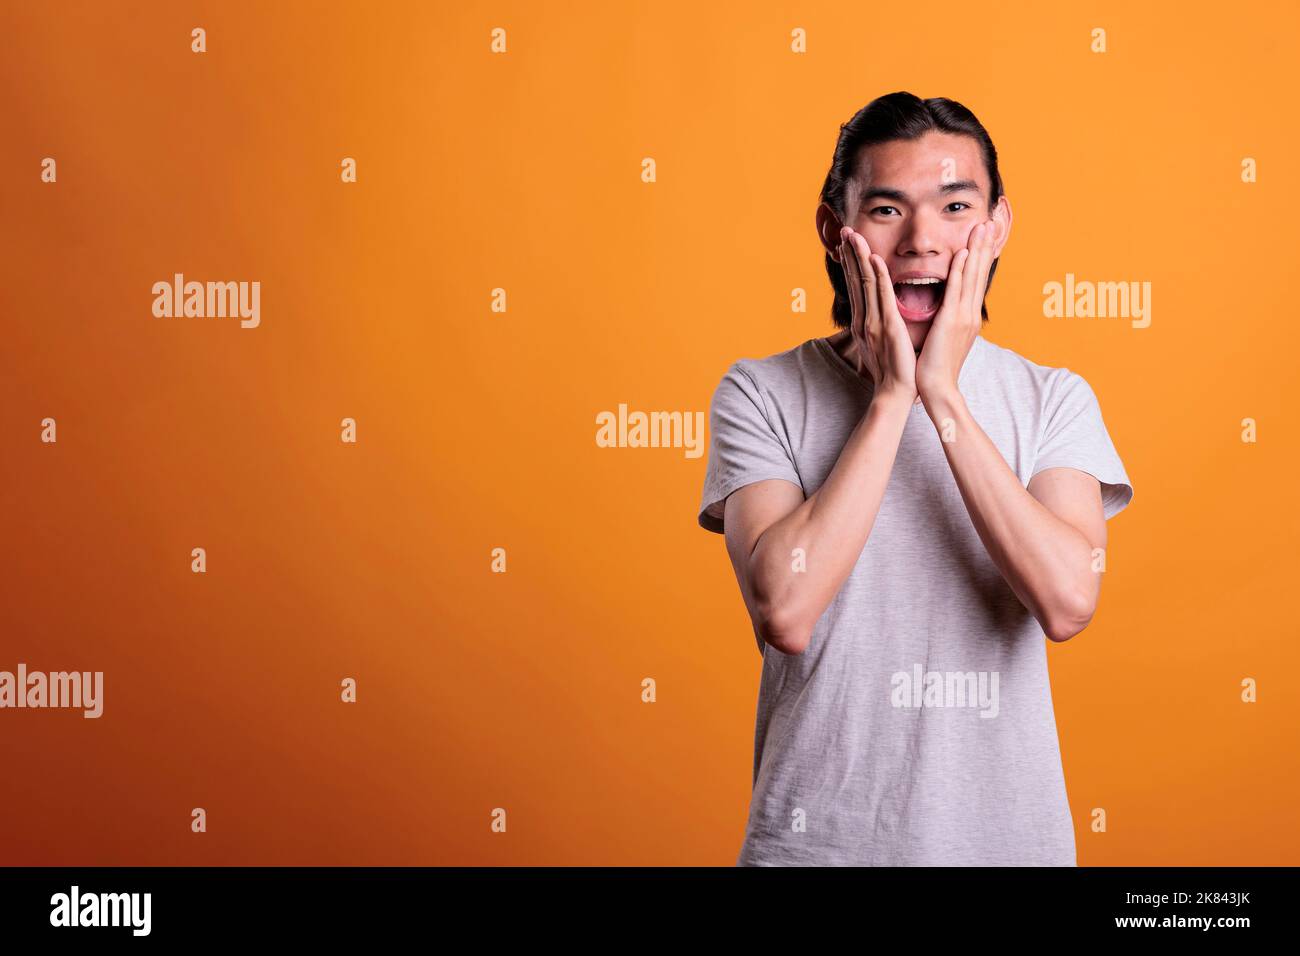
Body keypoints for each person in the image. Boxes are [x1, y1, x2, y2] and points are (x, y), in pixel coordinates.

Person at [697, 91, 1134, 866]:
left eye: (955, 205)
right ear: (837, 231)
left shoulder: (1053, 398)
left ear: (997, 225)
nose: (923, 242)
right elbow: (786, 611)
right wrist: (894, 398)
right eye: (887, 210)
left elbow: (1068, 601)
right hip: (816, 848)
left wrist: (944, 396)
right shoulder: (760, 392)